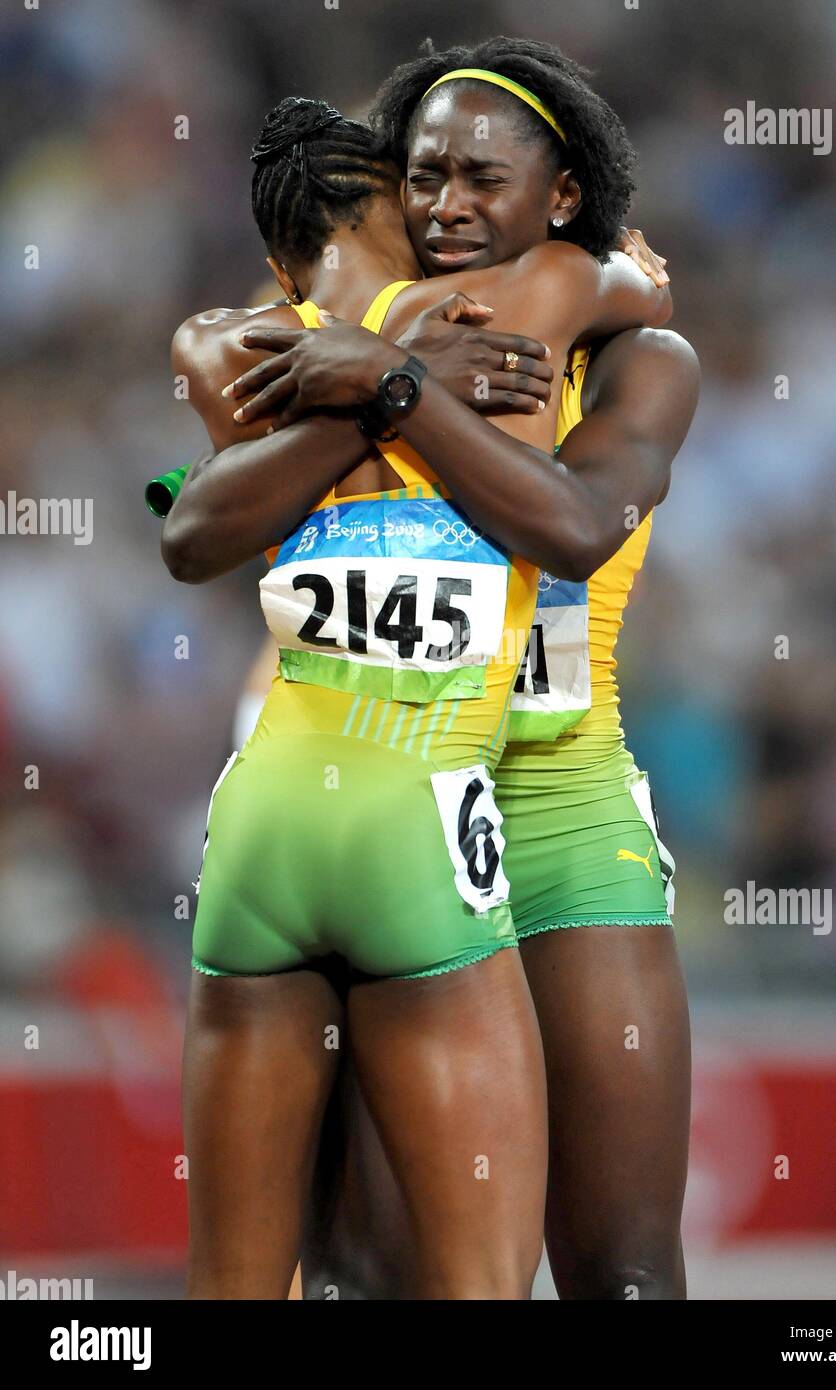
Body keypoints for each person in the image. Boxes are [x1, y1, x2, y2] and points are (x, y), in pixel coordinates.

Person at [179, 38, 700, 1299]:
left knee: (623, 1265)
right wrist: (380, 375)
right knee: (369, 1267)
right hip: (389, 789)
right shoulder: (341, 344)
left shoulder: (637, 360)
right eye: (422, 178)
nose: (446, 207)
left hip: (558, 797)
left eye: (480, 179)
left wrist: (400, 389)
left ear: (562, 194)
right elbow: (200, 494)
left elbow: (576, 524)